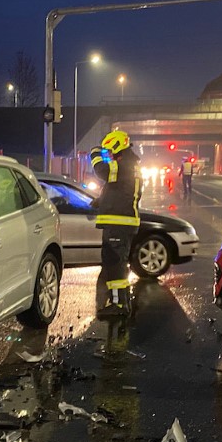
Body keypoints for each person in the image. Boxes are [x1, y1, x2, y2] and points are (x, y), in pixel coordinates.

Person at [89, 129, 142, 318]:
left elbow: (102, 171)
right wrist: (100, 201)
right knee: (114, 263)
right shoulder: (128, 165)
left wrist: (95, 154)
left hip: (119, 222)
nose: (108, 155)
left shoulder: (124, 164)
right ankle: (120, 301)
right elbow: (118, 189)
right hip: (121, 221)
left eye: (110, 151)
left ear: (117, 146)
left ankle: (120, 306)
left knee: (117, 264)